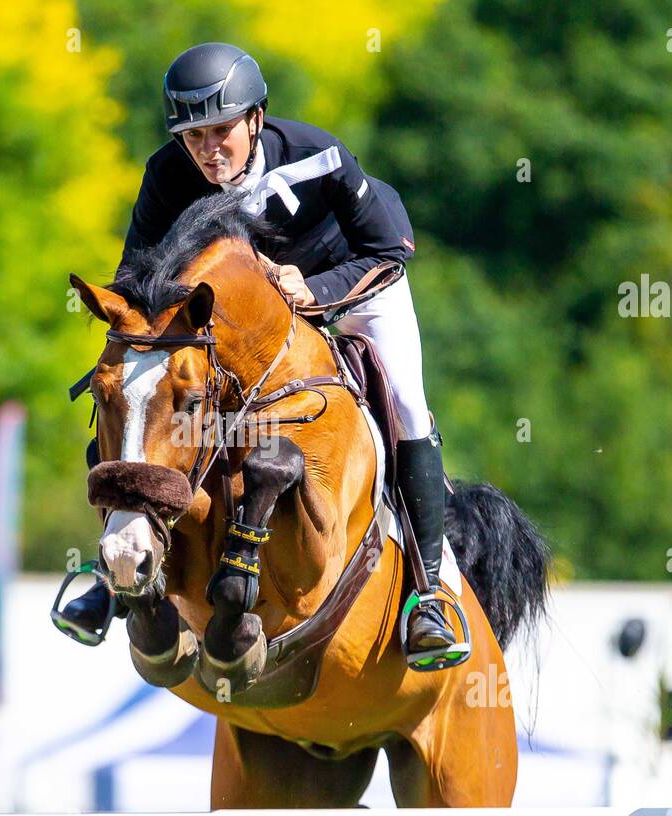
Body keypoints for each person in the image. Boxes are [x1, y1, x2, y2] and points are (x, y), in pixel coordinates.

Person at [57, 41, 464, 670]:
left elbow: (390, 250)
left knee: (408, 403)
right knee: (140, 396)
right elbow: (138, 279)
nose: (208, 150)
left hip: (351, 289)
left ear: (256, 119)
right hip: (237, 323)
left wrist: (317, 289)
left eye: (222, 131)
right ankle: (119, 573)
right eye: (193, 136)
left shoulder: (316, 155)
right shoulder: (167, 174)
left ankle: (430, 594)